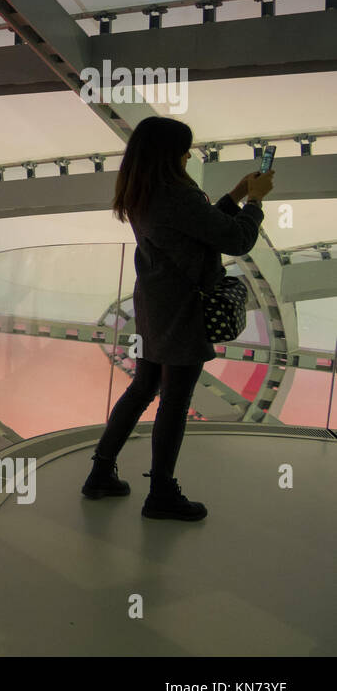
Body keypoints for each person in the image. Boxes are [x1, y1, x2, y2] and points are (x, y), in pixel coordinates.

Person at [81, 116, 273, 520]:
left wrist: (236, 194)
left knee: (144, 386)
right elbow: (235, 239)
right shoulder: (174, 193)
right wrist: (255, 203)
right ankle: (161, 493)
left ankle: (101, 470)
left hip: (155, 302)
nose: (189, 154)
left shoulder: (142, 189)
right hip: (183, 308)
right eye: (185, 148)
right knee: (175, 398)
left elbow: (196, 227)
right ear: (170, 154)